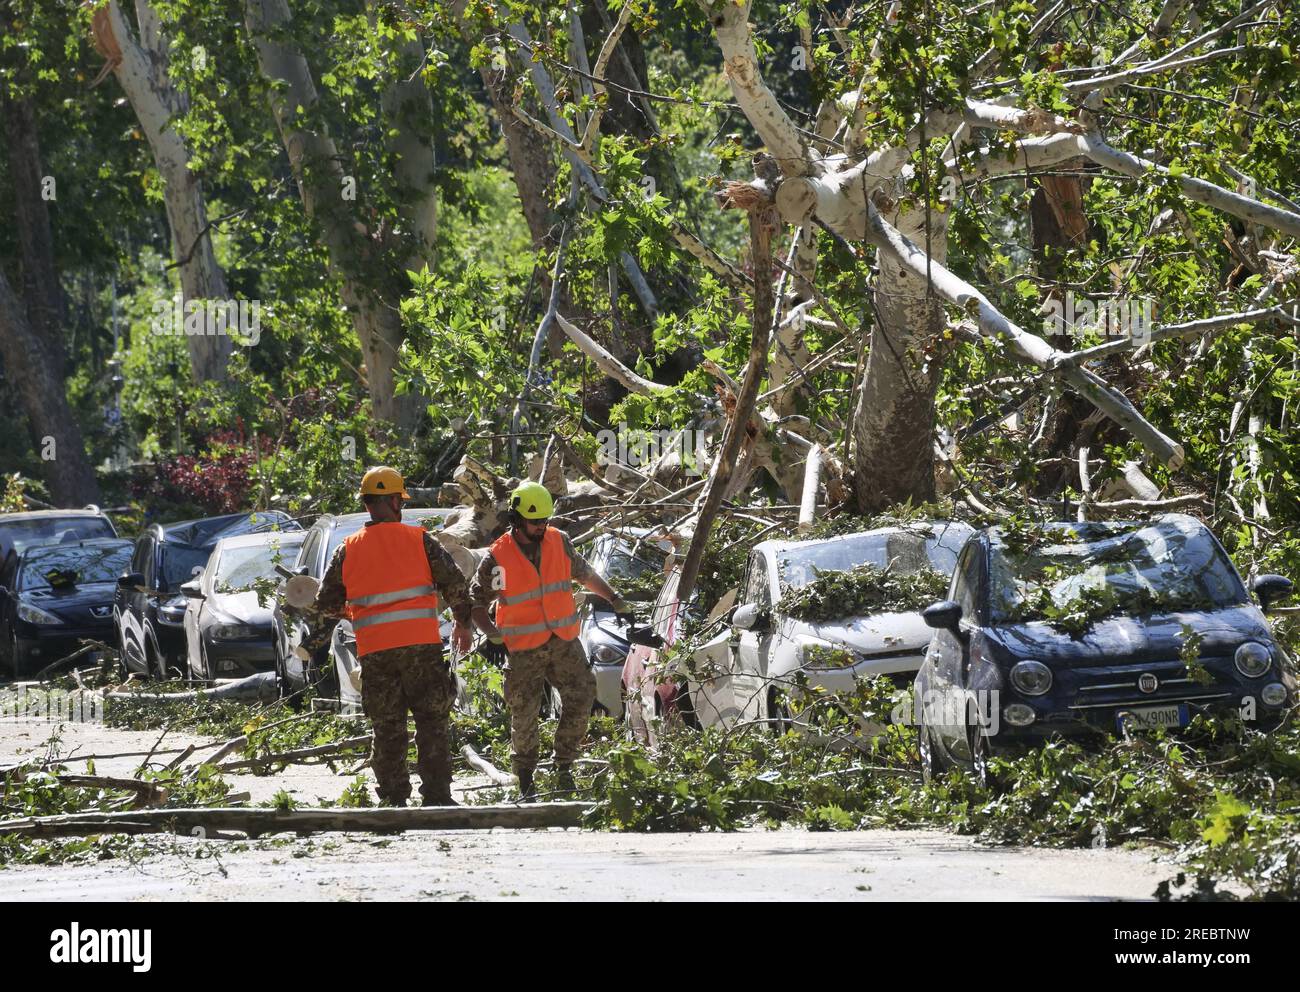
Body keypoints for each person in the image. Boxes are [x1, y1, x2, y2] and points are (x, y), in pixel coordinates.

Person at [299, 467, 473, 806]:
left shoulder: (347, 550)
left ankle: (394, 799)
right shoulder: (420, 540)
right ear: (396, 501)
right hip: (421, 647)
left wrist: (357, 614)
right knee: (431, 723)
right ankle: (437, 798)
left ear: (366, 505)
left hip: (376, 652)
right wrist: (463, 624)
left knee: (388, 726)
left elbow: (326, 604)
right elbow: (455, 584)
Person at [470, 481, 631, 800]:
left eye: (545, 520)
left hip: (563, 641)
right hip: (523, 648)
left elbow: (584, 574)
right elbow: (476, 601)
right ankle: (526, 777)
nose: (542, 526)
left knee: (583, 694)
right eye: (535, 521)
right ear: (517, 519)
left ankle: (563, 767)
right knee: (524, 710)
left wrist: (614, 597)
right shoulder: (497, 556)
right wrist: (491, 633)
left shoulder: (560, 541)